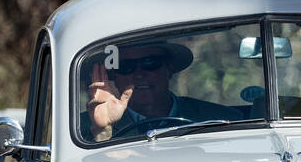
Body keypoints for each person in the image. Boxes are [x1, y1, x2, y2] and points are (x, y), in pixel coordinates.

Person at [84, 40, 240, 142]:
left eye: (150, 63)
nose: (139, 74)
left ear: (169, 69)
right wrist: (103, 131)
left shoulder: (222, 120)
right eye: (126, 67)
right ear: (113, 76)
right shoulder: (82, 131)